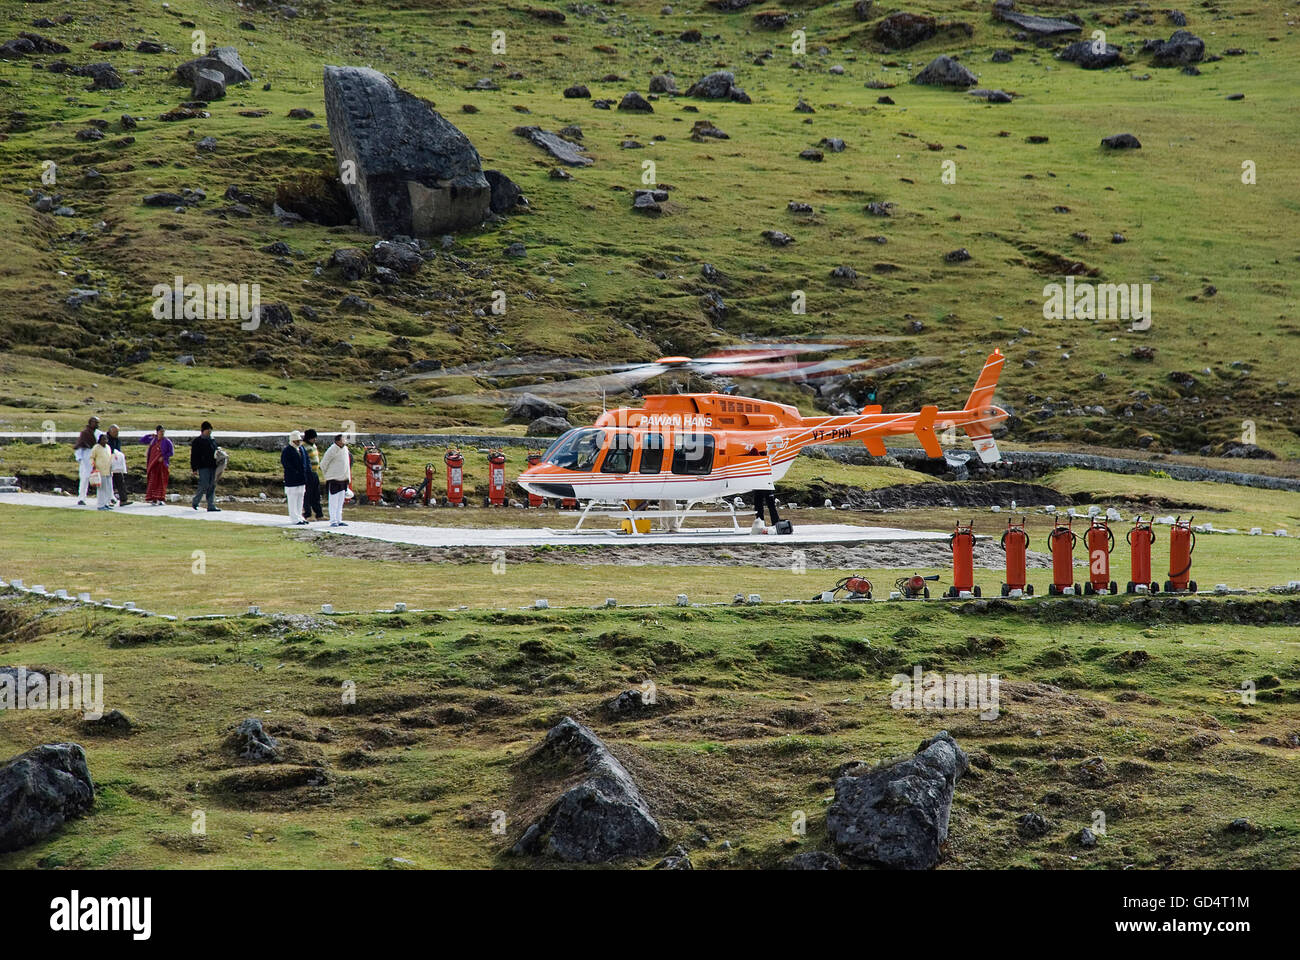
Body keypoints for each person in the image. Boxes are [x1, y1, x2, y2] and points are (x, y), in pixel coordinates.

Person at [319, 434, 352, 527]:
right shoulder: (332, 449)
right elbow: (323, 464)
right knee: (333, 501)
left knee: (341, 501)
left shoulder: (345, 449)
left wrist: (348, 478)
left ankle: (339, 519)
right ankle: (333, 520)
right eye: (343, 439)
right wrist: (328, 475)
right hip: (334, 479)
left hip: (343, 479)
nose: (345, 441)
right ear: (338, 441)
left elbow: (347, 464)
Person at [190, 421, 220, 512]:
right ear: (203, 431)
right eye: (207, 431)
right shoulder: (197, 441)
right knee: (204, 485)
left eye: (210, 431)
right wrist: (194, 468)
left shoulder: (212, 440)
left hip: (213, 466)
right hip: (203, 466)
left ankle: (211, 505)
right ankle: (195, 501)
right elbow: (194, 456)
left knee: (212, 485)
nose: (209, 432)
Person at [281, 430, 309, 525]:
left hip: (301, 478)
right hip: (292, 479)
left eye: (299, 441)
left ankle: (300, 516)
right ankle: (294, 518)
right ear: (292, 441)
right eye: (296, 441)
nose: (298, 443)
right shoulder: (287, 450)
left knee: (300, 497)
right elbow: (286, 464)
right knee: (292, 498)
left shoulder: (302, 449)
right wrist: (295, 472)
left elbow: (306, 461)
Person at [140, 425, 173, 504]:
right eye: (160, 432)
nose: (162, 433)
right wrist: (150, 435)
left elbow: (171, 452)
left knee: (161, 481)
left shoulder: (167, 441)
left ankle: (161, 499)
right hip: (153, 464)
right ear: (157, 432)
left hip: (162, 464)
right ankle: (153, 499)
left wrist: (163, 457)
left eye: (163, 432)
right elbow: (142, 440)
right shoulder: (153, 440)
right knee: (153, 481)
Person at [73, 416, 100, 505]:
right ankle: (82, 498)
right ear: (90, 423)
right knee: (84, 478)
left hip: (97, 457)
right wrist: (79, 458)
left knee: (99, 478)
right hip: (86, 458)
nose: (97, 424)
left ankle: (101, 498)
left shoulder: (99, 433)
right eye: (95, 422)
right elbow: (79, 447)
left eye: (98, 423)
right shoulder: (84, 433)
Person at [301, 429, 324, 521]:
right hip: (308, 474)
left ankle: (319, 514)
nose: (315, 439)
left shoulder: (313, 446)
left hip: (315, 473)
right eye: (313, 438)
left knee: (316, 494)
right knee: (308, 494)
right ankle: (307, 514)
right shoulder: (303, 447)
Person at [105, 424, 129, 505]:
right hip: (107, 463)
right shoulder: (105, 439)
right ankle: (108, 499)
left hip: (116, 464)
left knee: (120, 480)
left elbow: (118, 450)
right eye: (115, 432)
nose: (117, 434)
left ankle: (123, 500)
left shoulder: (117, 439)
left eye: (118, 432)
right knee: (108, 482)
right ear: (110, 431)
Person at [91, 432, 114, 510]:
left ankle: (106, 503)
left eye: (106, 439)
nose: (105, 440)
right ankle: (100, 505)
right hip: (99, 471)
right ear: (100, 440)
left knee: (108, 489)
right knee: (101, 489)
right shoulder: (96, 448)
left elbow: (110, 457)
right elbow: (91, 458)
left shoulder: (108, 447)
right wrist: (93, 467)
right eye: (103, 439)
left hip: (108, 471)